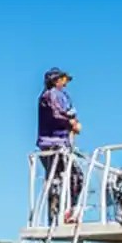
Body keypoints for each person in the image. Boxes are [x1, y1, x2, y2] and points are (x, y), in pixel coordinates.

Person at [36, 67, 83, 224]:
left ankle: (68, 210)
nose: (66, 83)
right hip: (52, 145)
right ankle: (57, 215)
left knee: (72, 178)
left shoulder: (60, 95)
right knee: (61, 179)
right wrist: (70, 123)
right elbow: (55, 115)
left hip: (61, 144)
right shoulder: (50, 95)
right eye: (64, 80)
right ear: (57, 80)